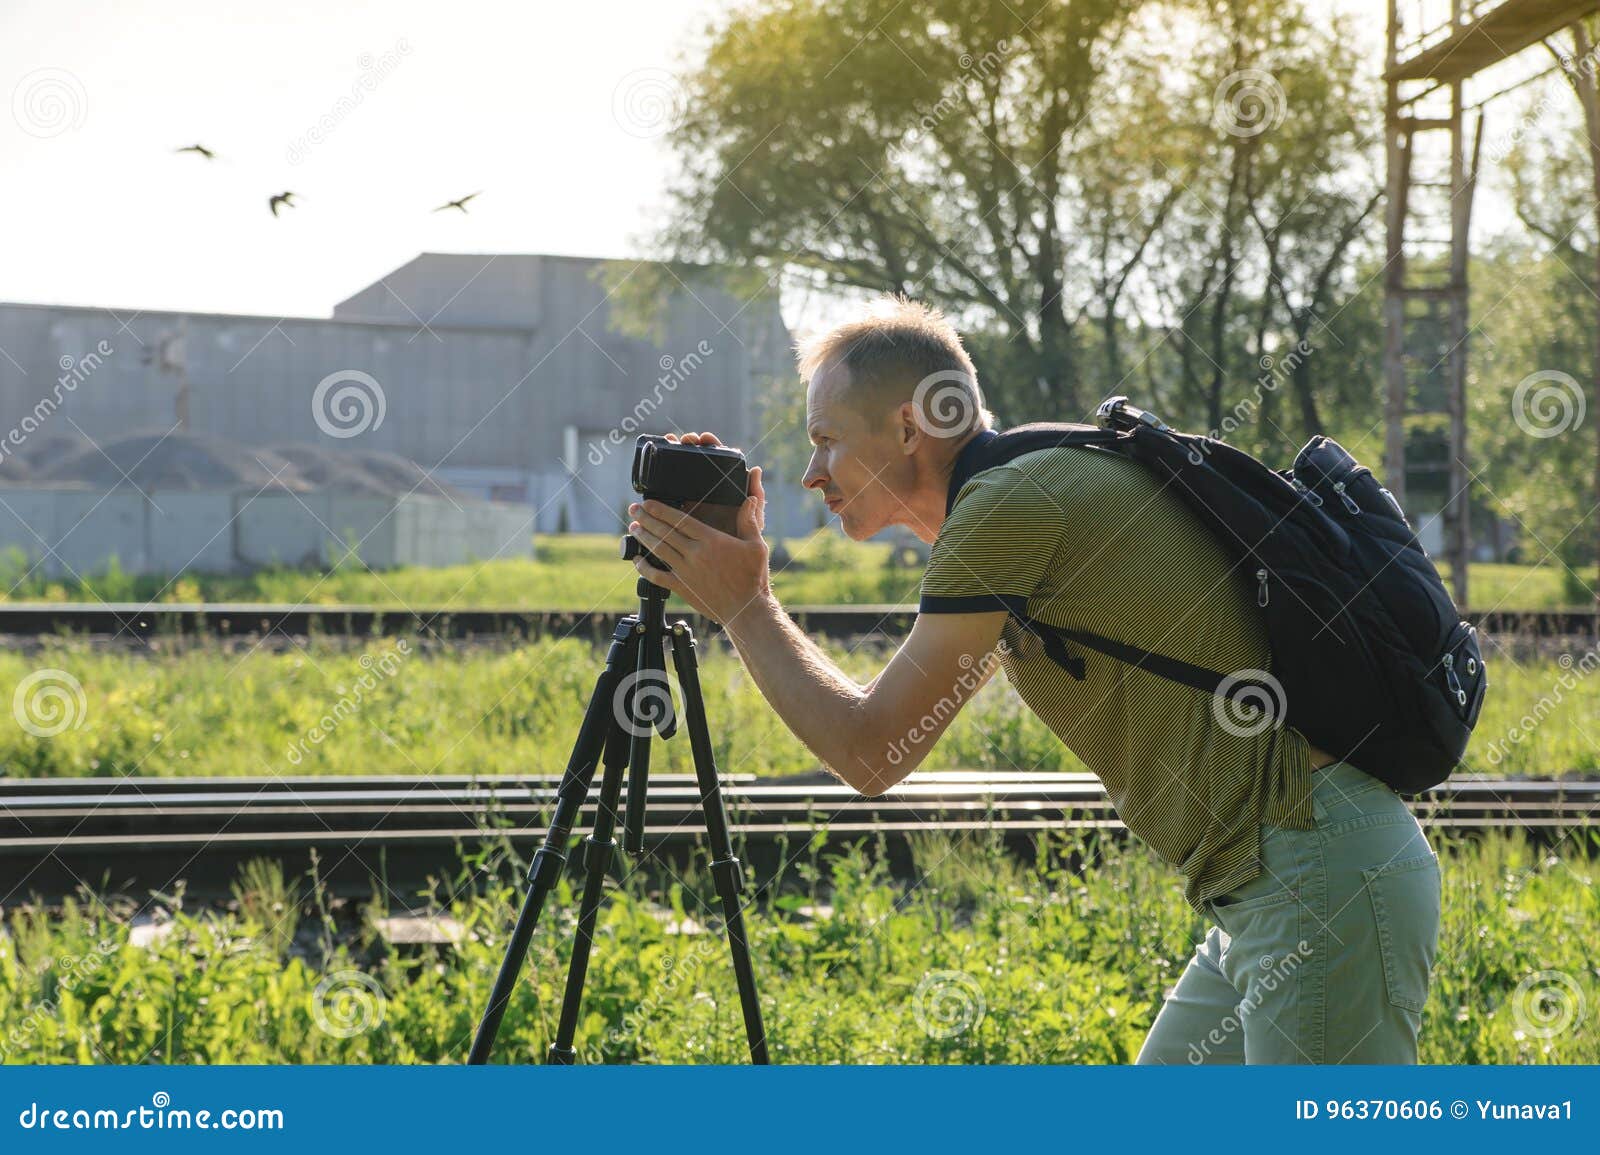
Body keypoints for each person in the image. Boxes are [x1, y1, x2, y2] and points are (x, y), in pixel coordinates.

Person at [625, 294, 1440, 1065]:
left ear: (909, 427)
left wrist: (745, 605)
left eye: (827, 439)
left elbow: (873, 752)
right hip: (1267, 886)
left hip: (1314, 875)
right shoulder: (1021, 484)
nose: (811, 471)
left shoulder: (1008, 509)